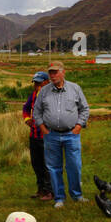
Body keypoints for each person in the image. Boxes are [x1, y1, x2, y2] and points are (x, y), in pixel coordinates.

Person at [32, 61, 90, 208]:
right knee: (53, 167)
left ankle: (77, 195)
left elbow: (85, 109)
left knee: (74, 165)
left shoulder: (75, 88)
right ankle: (59, 198)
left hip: (71, 134)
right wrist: (43, 128)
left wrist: (78, 126)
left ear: (63, 72)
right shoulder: (44, 91)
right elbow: (36, 112)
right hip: (51, 135)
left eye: (55, 72)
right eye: (50, 72)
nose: (52, 75)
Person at [22, 71, 53, 201]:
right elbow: (26, 108)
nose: (36, 85)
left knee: (47, 166)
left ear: (47, 82)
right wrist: (27, 119)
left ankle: (50, 191)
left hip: (47, 137)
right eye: (35, 83)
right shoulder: (34, 95)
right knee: (37, 165)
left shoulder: (52, 96)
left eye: (39, 82)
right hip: (34, 136)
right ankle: (41, 190)